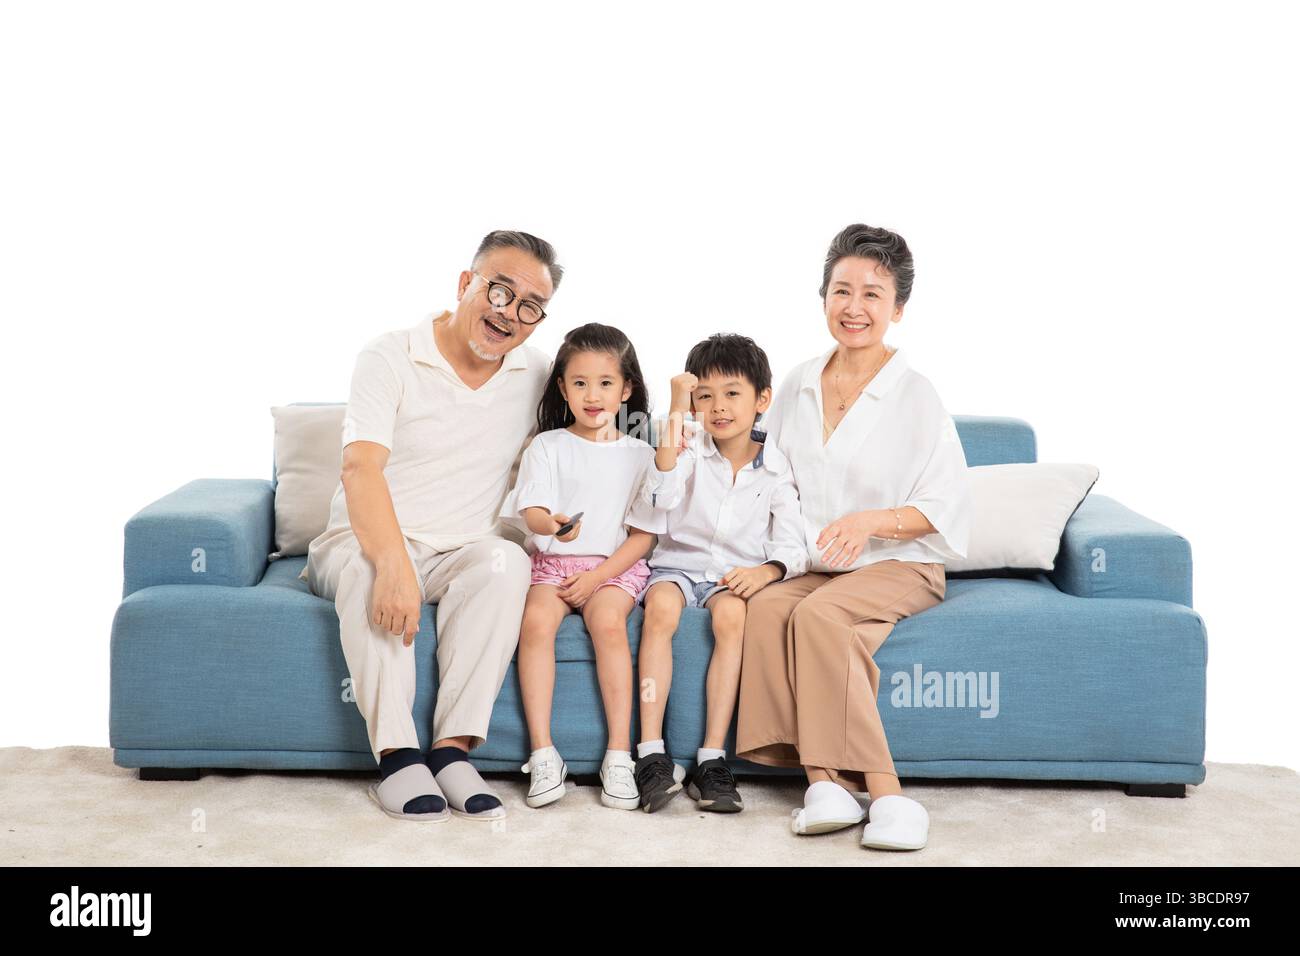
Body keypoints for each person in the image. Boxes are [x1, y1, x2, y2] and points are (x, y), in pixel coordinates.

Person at [304, 229, 561, 822]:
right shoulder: (391, 354)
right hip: (363, 540)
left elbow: (603, 423)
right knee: (372, 574)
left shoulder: (537, 374)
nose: (509, 314)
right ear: (466, 283)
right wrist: (394, 564)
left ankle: (452, 750)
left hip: (465, 548)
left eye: (530, 307)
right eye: (500, 290)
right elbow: (360, 465)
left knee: (508, 563)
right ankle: (396, 757)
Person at [735, 223, 970, 851]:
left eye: (872, 294)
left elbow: (944, 505)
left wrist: (870, 522)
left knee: (820, 618)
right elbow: (772, 476)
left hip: (900, 562)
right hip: (816, 562)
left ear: (897, 309)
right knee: (767, 609)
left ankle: (889, 794)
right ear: (823, 299)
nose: (854, 307)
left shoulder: (915, 394)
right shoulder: (798, 383)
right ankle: (824, 785)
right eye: (842, 290)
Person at [625, 334, 807, 813]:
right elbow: (659, 499)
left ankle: (711, 759)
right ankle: (650, 753)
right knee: (661, 609)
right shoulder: (685, 448)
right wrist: (676, 412)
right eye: (705, 395)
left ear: (762, 400)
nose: (719, 407)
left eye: (732, 393)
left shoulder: (776, 468)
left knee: (732, 620)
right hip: (676, 567)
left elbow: (792, 543)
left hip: (729, 576)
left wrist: (768, 570)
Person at [501, 323, 658, 811]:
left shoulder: (642, 454)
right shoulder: (547, 447)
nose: (593, 395)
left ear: (626, 388)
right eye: (581, 383)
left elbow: (645, 535)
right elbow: (531, 511)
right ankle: (544, 753)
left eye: (606, 383)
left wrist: (596, 577)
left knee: (609, 623)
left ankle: (618, 755)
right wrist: (553, 523)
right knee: (535, 623)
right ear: (563, 388)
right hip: (552, 563)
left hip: (612, 567)